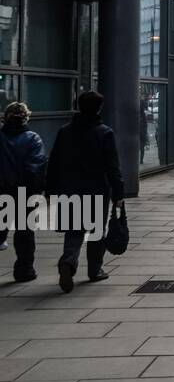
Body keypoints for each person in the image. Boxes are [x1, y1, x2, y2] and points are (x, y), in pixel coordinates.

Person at [45, 91, 124, 293]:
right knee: (96, 231)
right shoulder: (104, 132)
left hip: (70, 188)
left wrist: (51, 189)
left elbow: (54, 162)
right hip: (96, 188)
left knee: (74, 230)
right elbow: (112, 167)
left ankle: (68, 261)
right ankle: (94, 269)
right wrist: (118, 193)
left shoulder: (65, 131)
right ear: (99, 108)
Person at [0, 102, 47, 281]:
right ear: (26, 117)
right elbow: (36, 167)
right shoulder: (32, 138)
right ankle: (24, 270)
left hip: (2, 190)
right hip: (24, 193)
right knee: (25, 233)